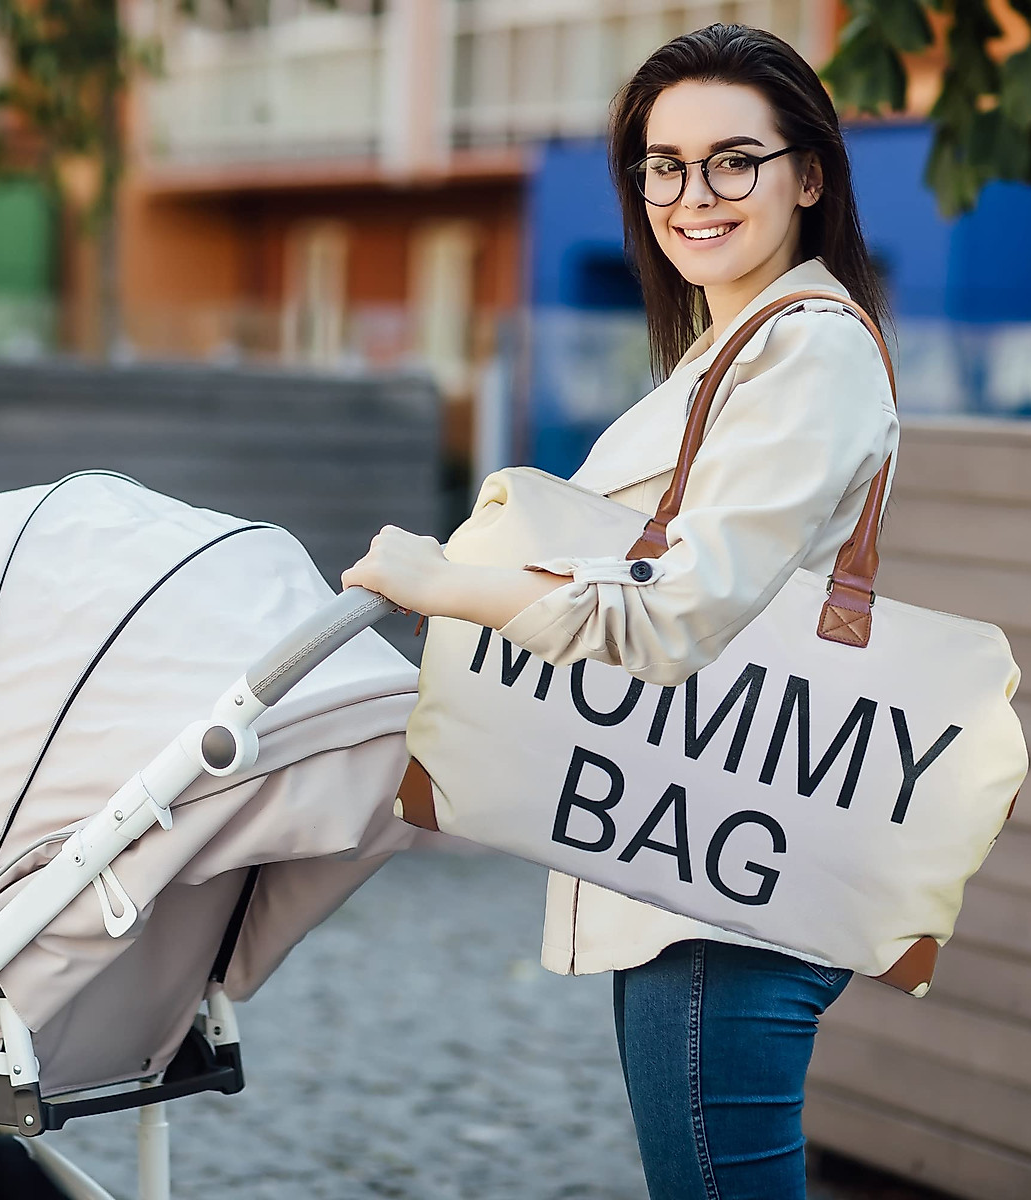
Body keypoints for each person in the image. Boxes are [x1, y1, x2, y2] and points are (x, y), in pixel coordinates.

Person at [342, 23, 898, 1200]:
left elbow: (668, 615)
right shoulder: (726, 352)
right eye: (664, 165)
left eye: (734, 160)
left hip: (722, 892)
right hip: (691, 857)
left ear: (809, 174)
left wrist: (445, 587)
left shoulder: (807, 355)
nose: (693, 194)